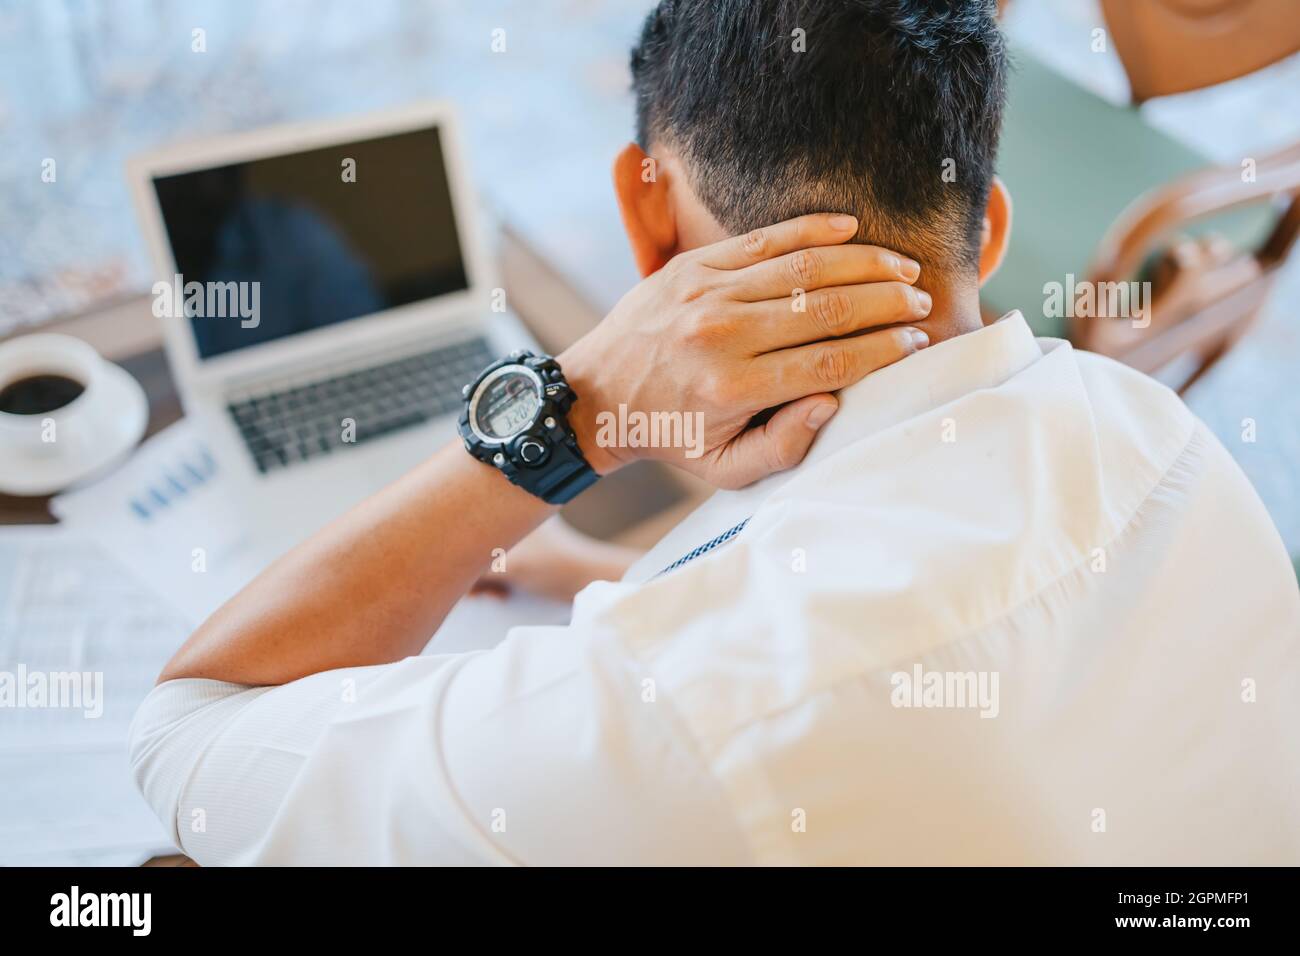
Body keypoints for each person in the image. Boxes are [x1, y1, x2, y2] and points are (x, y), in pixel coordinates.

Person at [129, 0, 1300, 865]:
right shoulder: (1160, 435)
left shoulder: (664, 719)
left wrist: (576, 406)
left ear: (648, 216)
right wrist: (609, 573)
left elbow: (191, 733)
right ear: (986, 230)